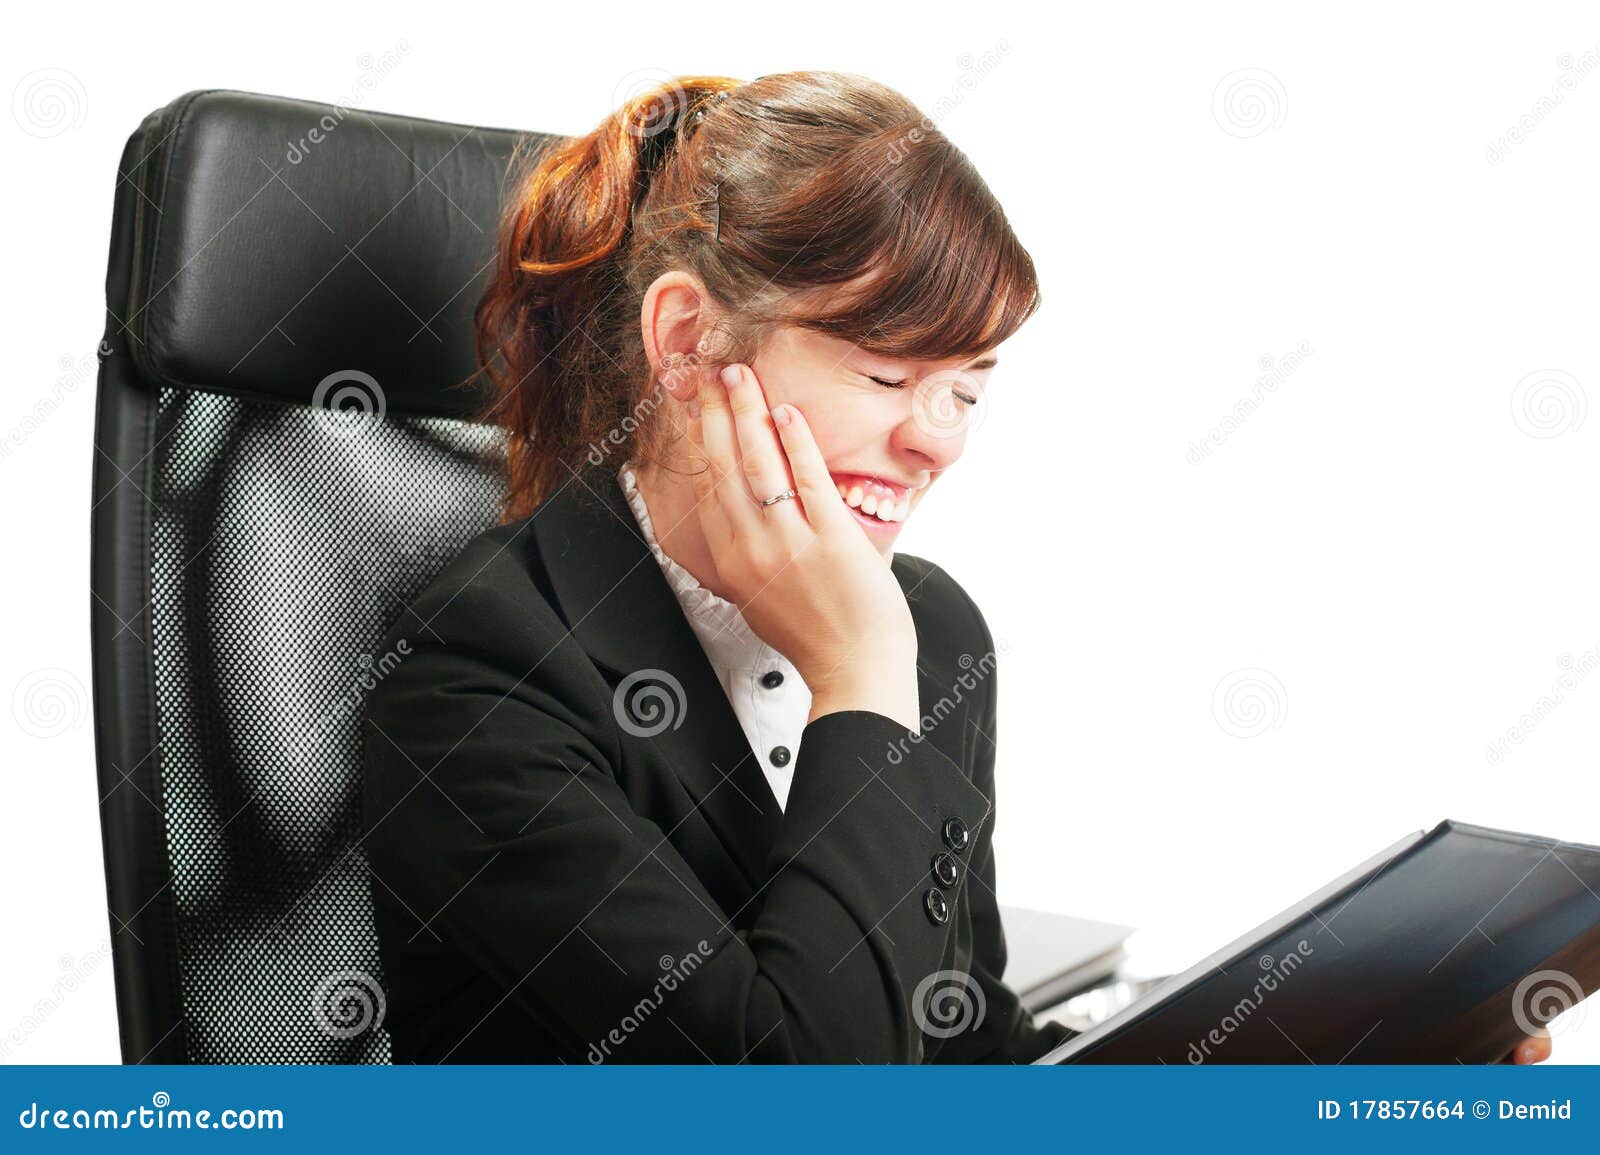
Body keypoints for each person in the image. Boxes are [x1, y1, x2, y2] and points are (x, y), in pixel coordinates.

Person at [360, 71, 1554, 1066]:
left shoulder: (929, 627)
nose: (938, 441)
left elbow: (954, 1042)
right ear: (685, 342)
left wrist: (1357, 1063)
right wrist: (861, 677)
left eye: (968, 388)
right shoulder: (481, 671)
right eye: (887, 376)